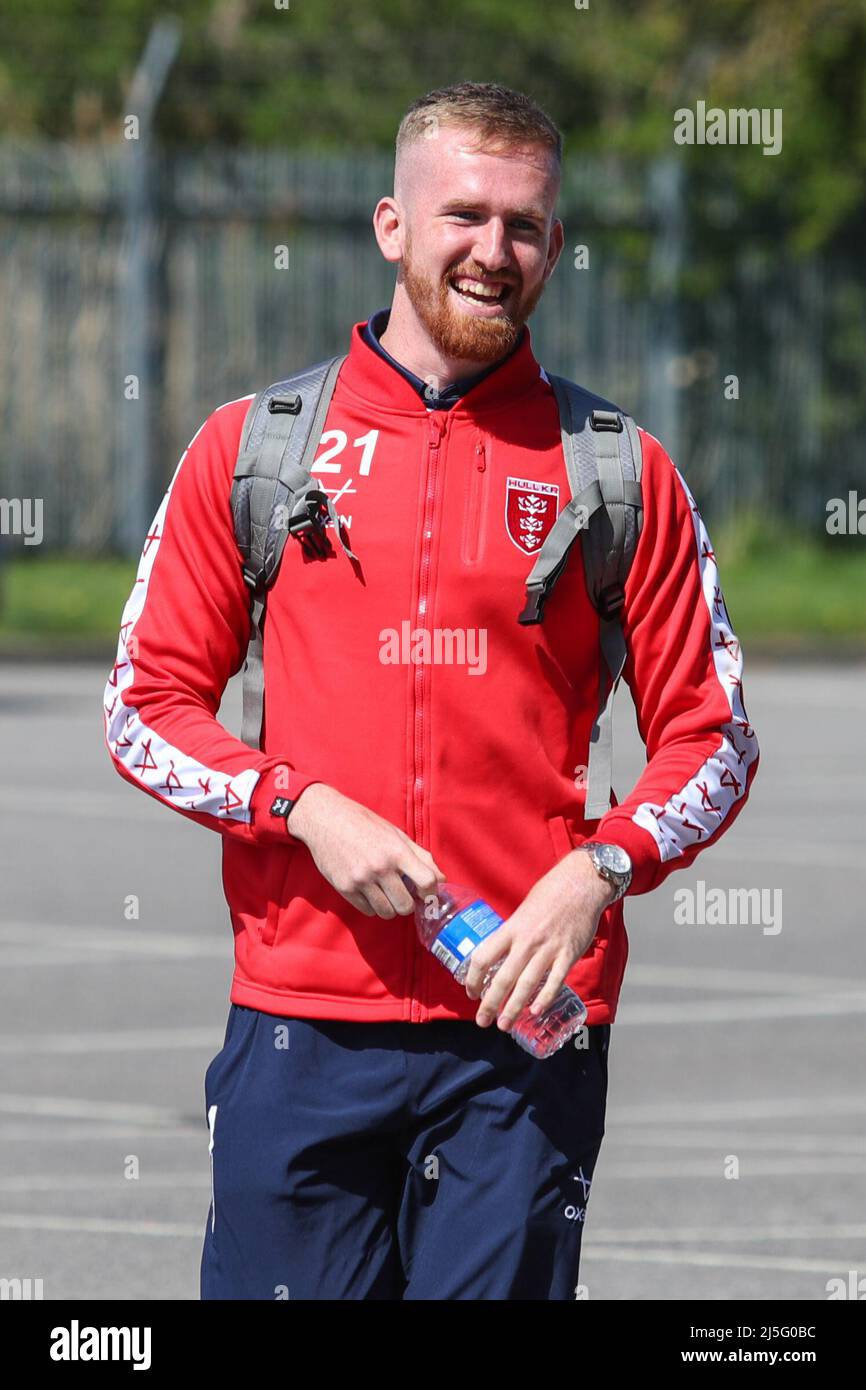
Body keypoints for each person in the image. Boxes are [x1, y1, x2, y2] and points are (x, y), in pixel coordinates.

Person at [103, 81, 759, 1301]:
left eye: (523, 226)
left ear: (554, 247)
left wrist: (600, 868)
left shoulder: (616, 471)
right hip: (301, 1026)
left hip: (524, 1032)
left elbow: (712, 738)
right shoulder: (256, 447)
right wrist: (295, 802)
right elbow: (143, 707)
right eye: (463, 215)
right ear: (391, 226)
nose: (492, 253)